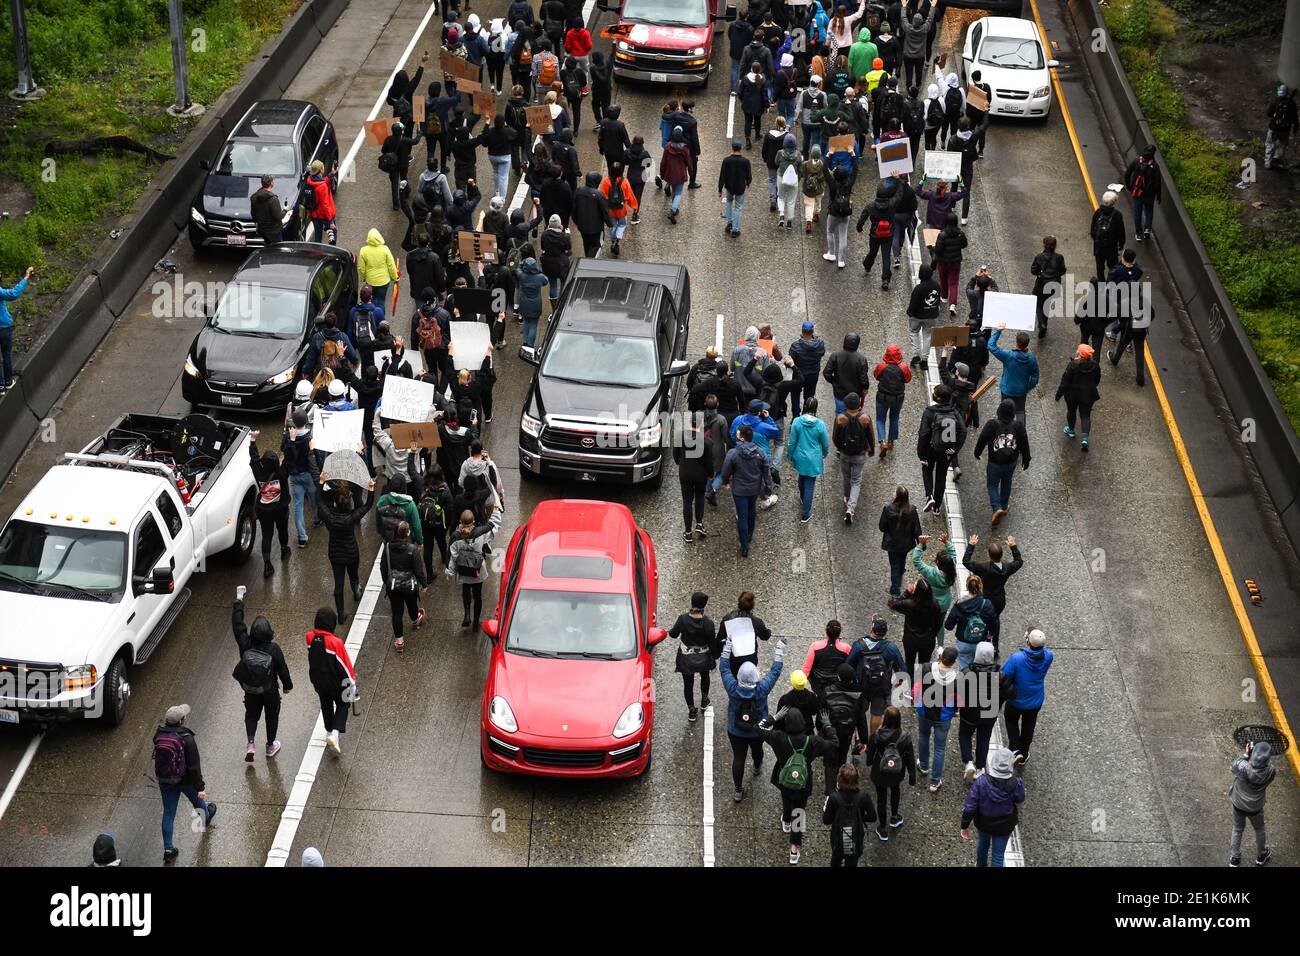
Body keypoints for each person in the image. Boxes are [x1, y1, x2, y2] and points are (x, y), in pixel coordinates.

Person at [759, 706, 838, 865]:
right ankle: (794, 850)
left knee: (786, 799)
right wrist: (827, 725)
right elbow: (834, 743)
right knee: (799, 812)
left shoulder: (778, 737)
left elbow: (758, 728)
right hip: (803, 782)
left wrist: (773, 718)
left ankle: (786, 821)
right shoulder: (812, 741)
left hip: (784, 779)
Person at [719, 633, 785, 803]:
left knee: (738, 758)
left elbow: (724, 667)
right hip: (758, 729)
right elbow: (775, 671)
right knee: (757, 750)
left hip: (736, 730)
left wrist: (728, 645)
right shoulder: (762, 689)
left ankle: (738, 790)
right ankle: (756, 767)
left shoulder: (732, 687)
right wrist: (779, 649)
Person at [231, 588, 292, 761]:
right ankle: (270, 746)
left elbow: (237, 625)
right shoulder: (274, 649)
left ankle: (251, 743)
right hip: (270, 690)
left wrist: (239, 599)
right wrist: (287, 686)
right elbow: (282, 669)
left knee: (251, 714)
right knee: (271, 716)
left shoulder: (245, 644)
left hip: (251, 690)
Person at [153, 704, 215, 863]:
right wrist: (200, 786)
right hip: (185, 780)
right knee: (198, 802)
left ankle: (168, 849)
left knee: (168, 813)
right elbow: (194, 765)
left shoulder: (159, 734)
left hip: (166, 780)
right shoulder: (187, 738)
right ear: (181, 721)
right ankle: (205, 818)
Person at [317, 477, 375, 626]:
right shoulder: (351, 517)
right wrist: (371, 490)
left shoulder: (329, 518)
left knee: (338, 584)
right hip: (351, 552)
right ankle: (356, 591)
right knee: (353, 574)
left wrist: (321, 483)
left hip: (335, 553)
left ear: (335, 503)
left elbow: (319, 502)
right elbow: (367, 505)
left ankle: (341, 614)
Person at [958, 640, 1013, 783]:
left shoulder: (966, 673)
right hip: (989, 714)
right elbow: (1011, 694)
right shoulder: (1000, 676)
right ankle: (981, 766)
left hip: (968, 713)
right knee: (984, 738)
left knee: (964, 734)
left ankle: (968, 762)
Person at [961, 746, 1024, 866]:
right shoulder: (1015, 783)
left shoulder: (981, 782)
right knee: (998, 856)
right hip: (1005, 825)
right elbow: (1020, 798)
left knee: (982, 846)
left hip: (984, 822)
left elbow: (970, 806)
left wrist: (964, 825)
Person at [973, 397, 1031, 526]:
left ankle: (996, 507)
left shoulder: (992, 424)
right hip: (1011, 461)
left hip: (995, 461)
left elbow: (982, 439)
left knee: (992, 485)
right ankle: (1004, 505)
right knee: (1007, 481)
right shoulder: (1018, 426)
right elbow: (1024, 443)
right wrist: (1026, 459)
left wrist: (977, 452)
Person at [306, 608, 357, 755]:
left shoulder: (309, 638)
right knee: (343, 703)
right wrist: (352, 685)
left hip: (318, 681)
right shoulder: (336, 643)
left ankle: (329, 730)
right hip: (335, 683)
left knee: (325, 703)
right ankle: (335, 734)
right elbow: (345, 666)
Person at [1001, 626, 1053, 765]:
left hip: (1016, 700)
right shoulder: (1048, 656)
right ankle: (1023, 753)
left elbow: (1004, 675)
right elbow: (1043, 651)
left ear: (1028, 641)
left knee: (1011, 721)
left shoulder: (1017, 659)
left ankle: (1014, 748)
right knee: (1029, 726)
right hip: (1035, 700)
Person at [720, 424, 773, 557]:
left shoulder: (733, 453)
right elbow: (766, 472)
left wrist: (726, 482)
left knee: (742, 515)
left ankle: (744, 546)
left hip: (739, 490)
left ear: (742, 438)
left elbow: (725, 471)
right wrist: (768, 488)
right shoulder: (760, 453)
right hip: (754, 489)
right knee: (751, 512)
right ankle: (749, 535)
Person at [447, 505, 503, 629]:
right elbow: (494, 525)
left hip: (463, 571)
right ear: (473, 522)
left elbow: (452, 556)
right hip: (477, 572)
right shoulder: (481, 533)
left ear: (460, 522)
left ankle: (467, 615)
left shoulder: (455, 536)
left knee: (465, 590)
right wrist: (496, 510)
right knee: (477, 596)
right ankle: (476, 623)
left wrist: (449, 573)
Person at [865, 704, 915, 840]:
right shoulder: (905, 737)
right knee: (895, 791)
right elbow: (910, 757)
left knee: (881, 799)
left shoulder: (877, 735)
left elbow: (870, 755)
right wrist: (912, 776)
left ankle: (882, 828)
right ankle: (894, 817)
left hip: (879, 772)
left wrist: (870, 762)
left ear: (885, 719)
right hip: (897, 772)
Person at [916, 382, 967, 516]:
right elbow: (963, 431)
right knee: (941, 476)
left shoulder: (930, 412)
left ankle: (929, 496)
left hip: (932, 448)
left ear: (937, 397)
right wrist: (955, 449)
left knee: (926, 468)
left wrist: (921, 454)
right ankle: (937, 507)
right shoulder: (954, 412)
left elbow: (923, 433)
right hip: (947, 450)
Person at [913, 645, 958, 791]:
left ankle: (924, 766)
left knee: (923, 736)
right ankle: (935, 781)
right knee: (940, 747)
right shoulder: (956, 678)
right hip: (943, 716)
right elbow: (958, 700)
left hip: (924, 711)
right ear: (954, 661)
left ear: (941, 656)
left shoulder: (926, 668)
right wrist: (954, 711)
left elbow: (916, 689)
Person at [247, 435, 291, 579]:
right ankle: (284, 550)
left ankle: (267, 564)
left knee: (267, 536)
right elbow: (289, 460)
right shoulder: (282, 473)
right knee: (282, 530)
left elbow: (254, 459)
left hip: (264, 511)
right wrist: (292, 441)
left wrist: (253, 441)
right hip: (281, 509)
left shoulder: (258, 472)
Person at [821, 661, 869, 794]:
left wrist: (820, 728)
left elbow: (822, 713)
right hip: (846, 733)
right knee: (842, 756)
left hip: (830, 731)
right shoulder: (858, 695)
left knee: (830, 761)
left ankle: (829, 792)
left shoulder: (827, 692)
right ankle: (840, 783)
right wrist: (864, 739)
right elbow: (861, 719)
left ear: (838, 677)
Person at [1228, 739, 1276, 867]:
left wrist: (1246, 755)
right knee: (1259, 829)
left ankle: (1235, 858)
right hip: (1256, 807)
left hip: (1238, 804)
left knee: (1237, 829)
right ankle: (1261, 855)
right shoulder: (1271, 771)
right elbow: (1263, 766)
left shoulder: (1243, 768)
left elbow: (1235, 765)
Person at [888, 574, 942, 685]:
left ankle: (910, 687)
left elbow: (893, 604)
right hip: (927, 640)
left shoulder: (909, 604)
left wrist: (907, 592)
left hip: (910, 639)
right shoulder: (935, 605)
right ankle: (922, 687)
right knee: (924, 665)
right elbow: (939, 623)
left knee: (909, 662)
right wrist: (933, 634)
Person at [671, 592, 717, 721]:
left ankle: (691, 710)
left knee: (688, 683)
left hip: (686, 659)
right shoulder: (708, 623)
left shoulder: (682, 619)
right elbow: (712, 643)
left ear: (692, 602)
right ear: (704, 605)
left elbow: (673, 634)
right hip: (703, 658)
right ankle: (704, 700)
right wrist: (716, 655)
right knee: (705, 676)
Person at [833, 393, 877, 525]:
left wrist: (840, 448)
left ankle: (847, 497)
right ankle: (851, 508)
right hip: (859, 454)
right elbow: (871, 437)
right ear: (859, 405)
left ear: (845, 405)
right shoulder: (865, 418)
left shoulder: (840, 418)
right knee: (856, 480)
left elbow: (835, 437)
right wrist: (871, 450)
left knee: (846, 477)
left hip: (845, 454)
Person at [824, 762, 878, 867]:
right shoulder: (863, 796)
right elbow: (873, 817)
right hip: (855, 836)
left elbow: (826, 820)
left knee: (836, 860)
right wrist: (859, 817)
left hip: (838, 837)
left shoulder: (834, 798)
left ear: (839, 779)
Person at [384, 520, 427, 652]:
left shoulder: (387, 548)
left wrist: (387, 582)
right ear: (407, 533)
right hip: (409, 586)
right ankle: (415, 620)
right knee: (412, 604)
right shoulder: (412, 549)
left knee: (397, 612)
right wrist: (423, 584)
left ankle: (399, 641)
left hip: (393, 586)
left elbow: (383, 568)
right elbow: (418, 569)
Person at [786, 396, 830, 523]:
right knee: (810, 483)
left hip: (800, 456)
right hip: (814, 457)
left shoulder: (797, 421)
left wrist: (790, 454)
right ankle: (805, 514)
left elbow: (792, 441)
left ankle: (802, 496)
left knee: (801, 476)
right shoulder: (820, 424)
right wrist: (825, 453)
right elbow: (825, 443)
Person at [282, 407, 319, 547]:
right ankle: (316, 518)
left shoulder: (288, 436)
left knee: (298, 506)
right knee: (313, 498)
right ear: (306, 421)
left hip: (294, 475)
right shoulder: (309, 437)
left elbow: (284, 451)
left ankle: (302, 537)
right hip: (308, 473)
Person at [987, 327, 1039, 425]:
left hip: (1007, 391)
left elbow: (991, 345)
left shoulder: (1008, 355)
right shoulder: (1031, 359)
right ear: (1027, 344)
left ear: (1016, 343)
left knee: (1004, 412)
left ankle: (1002, 430)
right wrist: (1028, 387)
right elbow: (1035, 378)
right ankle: (1020, 433)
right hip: (1021, 392)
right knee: (1020, 413)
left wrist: (998, 331)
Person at [674, 415, 715, 542]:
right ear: (701, 424)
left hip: (685, 473)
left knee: (687, 501)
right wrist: (710, 474)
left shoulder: (680, 437)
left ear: (689, 423)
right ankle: (699, 524)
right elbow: (710, 462)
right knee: (699, 497)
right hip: (700, 475)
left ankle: (687, 532)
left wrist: (680, 464)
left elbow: (675, 456)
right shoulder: (707, 442)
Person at [1108, 276, 1153, 388]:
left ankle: (1114, 359)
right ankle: (1140, 379)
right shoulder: (1145, 301)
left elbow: (1118, 315)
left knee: (1121, 346)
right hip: (1141, 330)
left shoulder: (1125, 302)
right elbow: (1152, 314)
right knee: (1139, 352)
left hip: (1128, 329)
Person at [1056, 343, 1102, 450]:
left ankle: (1071, 430)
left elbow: (1065, 381)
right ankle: (1085, 439)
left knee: (1071, 411)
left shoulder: (1072, 365)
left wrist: (1059, 394)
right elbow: (1097, 379)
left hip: (1072, 394)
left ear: (1080, 354)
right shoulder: (1095, 365)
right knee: (1085, 415)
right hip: (1088, 395)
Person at [717, 590, 773, 678]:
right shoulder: (756, 621)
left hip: (733, 659)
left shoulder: (727, 619)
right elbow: (765, 636)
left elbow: (720, 639)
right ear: (752, 605)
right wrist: (769, 632)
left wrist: (717, 654)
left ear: (739, 602)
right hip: (750, 659)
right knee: (749, 680)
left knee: (734, 681)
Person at [879, 484, 922, 596]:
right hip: (906, 544)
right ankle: (900, 572)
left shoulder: (888, 509)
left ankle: (895, 591)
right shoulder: (912, 510)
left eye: (894, 492)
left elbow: (882, 527)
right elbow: (916, 528)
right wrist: (922, 544)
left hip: (892, 544)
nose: (893, 493)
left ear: (897, 497)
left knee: (894, 565)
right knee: (901, 560)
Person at [871, 344, 911, 460]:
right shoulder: (903, 368)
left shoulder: (882, 366)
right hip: (898, 397)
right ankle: (891, 440)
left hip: (882, 396)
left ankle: (882, 441)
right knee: (894, 418)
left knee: (880, 419)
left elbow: (876, 376)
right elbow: (908, 379)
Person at [802, 620, 854, 702]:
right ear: (839, 633)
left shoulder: (815, 646)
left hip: (818, 685)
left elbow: (806, 669)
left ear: (826, 632)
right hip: (837, 685)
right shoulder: (846, 648)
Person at [856, 184, 896, 289]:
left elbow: (862, 218)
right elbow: (899, 196)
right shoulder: (892, 205)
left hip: (875, 234)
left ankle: (867, 265)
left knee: (873, 251)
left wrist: (859, 228)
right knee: (886, 256)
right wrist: (899, 181)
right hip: (887, 234)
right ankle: (885, 280)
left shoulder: (871, 206)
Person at [0, 265, 33, 392]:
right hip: (4, 328)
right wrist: (25, 278)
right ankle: (8, 381)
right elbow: (14, 294)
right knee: (6, 354)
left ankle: (0, 386)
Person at [823, 331, 870, 414]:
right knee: (854, 415)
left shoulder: (835, 355)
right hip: (855, 395)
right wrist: (865, 388)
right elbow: (863, 379)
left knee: (840, 416)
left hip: (840, 393)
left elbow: (827, 373)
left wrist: (834, 382)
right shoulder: (861, 359)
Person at [1123, 144, 1162, 241]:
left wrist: (1129, 187)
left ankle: (1138, 234)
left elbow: (1127, 174)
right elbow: (1158, 182)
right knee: (1149, 211)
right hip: (1149, 194)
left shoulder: (1136, 162)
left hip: (1137, 193)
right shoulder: (1155, 166)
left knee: (1137, 213)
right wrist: (1158, 195)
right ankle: (1147, 229)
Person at [906, 262, 941, 369]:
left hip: (917, 316)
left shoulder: (919, 288)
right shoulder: (936, 285)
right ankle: (925, 360)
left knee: (914, 332)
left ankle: (916, 354)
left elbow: (913, 304)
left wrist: (909, 313)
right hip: (931, 316)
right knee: (927, 336)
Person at [358, 228, 400, 319]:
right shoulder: (385, 249)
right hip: (383, 281)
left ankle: (371, 319)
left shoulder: (363, 250)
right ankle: (381, 320)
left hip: (371, 281)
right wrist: (395, 277)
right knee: (381, 302)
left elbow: (362, 268)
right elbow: (391, 265)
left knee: (371, 300)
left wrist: (364, 278)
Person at [931, 214, 968, 312]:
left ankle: (944, 297)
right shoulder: (960, 233)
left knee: (943, 279)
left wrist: (933, 247)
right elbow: (964, 244)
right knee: (953, 283)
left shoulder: (942, 234)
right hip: (955, 262)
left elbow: (938, 250)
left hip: (943, 262)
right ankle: (952, 304)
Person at [599, 163, 637, 256]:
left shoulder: (606, 181)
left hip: (610, 209)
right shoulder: (625, 182)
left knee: (613, 225)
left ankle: (613, 240)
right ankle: (617, 238)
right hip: (622, 209)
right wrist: (635, 206)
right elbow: (630, 195)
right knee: (622, 224)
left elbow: (602, 196)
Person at [718, 137, 753, 237]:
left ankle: (730, 223)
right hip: (740, 188)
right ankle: (735, 230)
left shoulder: (727, 160)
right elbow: (749, 176)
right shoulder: (745, 161)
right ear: (741, 148)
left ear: (732, 148)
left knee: (729, 203)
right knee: (738, 207)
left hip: (729, 187)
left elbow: (722, 176)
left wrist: (720, 189)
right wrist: (748, 183)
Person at [572, 169, 612, 257]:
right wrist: (610, 224)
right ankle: (590, 261)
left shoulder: (579, 191)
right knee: (596, 246)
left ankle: (587, 258)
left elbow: (574, 209)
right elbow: (605, 211)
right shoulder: (599, 195)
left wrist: (577, 222)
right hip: (596, 228)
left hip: (582, 226)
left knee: (586, 245)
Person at [776, 670, 822, 744]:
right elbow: (814, 712)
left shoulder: (785, 699)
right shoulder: (812, 697)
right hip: (807, 730)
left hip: (790, 732)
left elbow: (779, 719)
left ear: (792, 683)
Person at [1090, 190, 1126, 282]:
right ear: (1113, 202)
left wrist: (1098, 239)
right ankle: (1110, 285)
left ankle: (1101, 286)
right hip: (1111, 247)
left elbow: (1092, 231)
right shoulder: (1117, 215)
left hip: (1099, 247)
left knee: (1100, 268)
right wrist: (1121, 244)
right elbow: (1121, 232)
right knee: (1113, 267)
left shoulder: (1097, 213)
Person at [661, 126, 694, 223]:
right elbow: (689, 162)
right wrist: (691, 173)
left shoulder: (667, 147)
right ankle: (673, 210)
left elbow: (663, 162)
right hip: (680, 173)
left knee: (674, 191)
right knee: (678, 193)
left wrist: (662, 173)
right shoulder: (684, 149)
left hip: (670, 173)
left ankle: (674, 207)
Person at [823, 165, 854, 268]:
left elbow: (825, 169)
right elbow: (856, 169)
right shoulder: (849, 184)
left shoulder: (832, 185)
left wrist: (828, 155)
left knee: (830, 231)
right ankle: (841, 260)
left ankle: (831, 254)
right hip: (845, 212)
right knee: (843, 235)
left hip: (834, 212)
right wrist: (853, 155)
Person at [301, 159, 338, 244]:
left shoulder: (310, 180)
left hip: (314, 214)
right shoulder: (322, 187)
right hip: (324, 216)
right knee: (333, 234)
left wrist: (331, 174)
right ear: (321, 170)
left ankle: (317, 253)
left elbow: (321, 181)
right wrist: (330, 222)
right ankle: (333, 252)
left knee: (318, 236)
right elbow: (325, 205)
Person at [515, 255, 548, 347]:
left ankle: (525, 342)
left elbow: (517, 269)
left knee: (526, 322)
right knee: (533, 325)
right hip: (536, 304)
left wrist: (522, 263)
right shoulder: (540, 277)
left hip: (524, 303)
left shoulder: (522, 275)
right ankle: (530, 344)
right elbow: (546, 281)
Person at [1265, 84, 1298, 170]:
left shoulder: (1275, 101)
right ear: (1286, 93)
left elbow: (1268, 113)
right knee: (1282, 145)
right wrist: (1295, 127)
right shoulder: (1292, 104)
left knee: (1270, 144)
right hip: (1285, 130)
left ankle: (1268, 163)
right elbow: (1295, 117)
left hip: (1273, 128)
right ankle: (1276, 159)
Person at [250, 175, 285, 244]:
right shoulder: (273, 199)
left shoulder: (254, 197)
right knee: (276, 249)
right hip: (274, 231)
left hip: (262, 230)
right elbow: (278, 216)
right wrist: (285, 211)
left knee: (267, 247)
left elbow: (253, 214)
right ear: (271, 184)